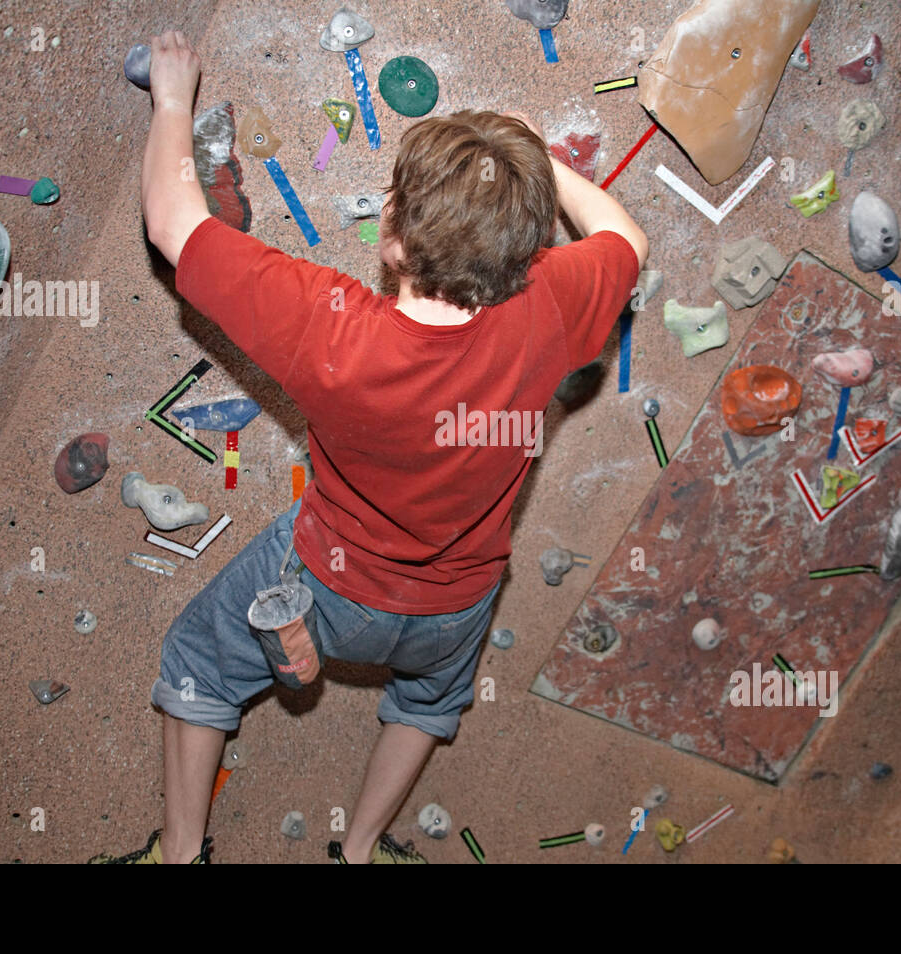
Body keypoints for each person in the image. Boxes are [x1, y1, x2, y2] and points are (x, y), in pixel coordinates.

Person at [91, 30, 648, 864]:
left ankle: (180, 857)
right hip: (456, 605)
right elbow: (626, 239)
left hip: (328, 582)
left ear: (390, 237)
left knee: (199, 664)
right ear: (528, 256)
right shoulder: (552, 308)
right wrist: (537, 155)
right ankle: (359, 852)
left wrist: (172, 97)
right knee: (428, 706)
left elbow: (175, 226)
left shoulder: (331, 328)